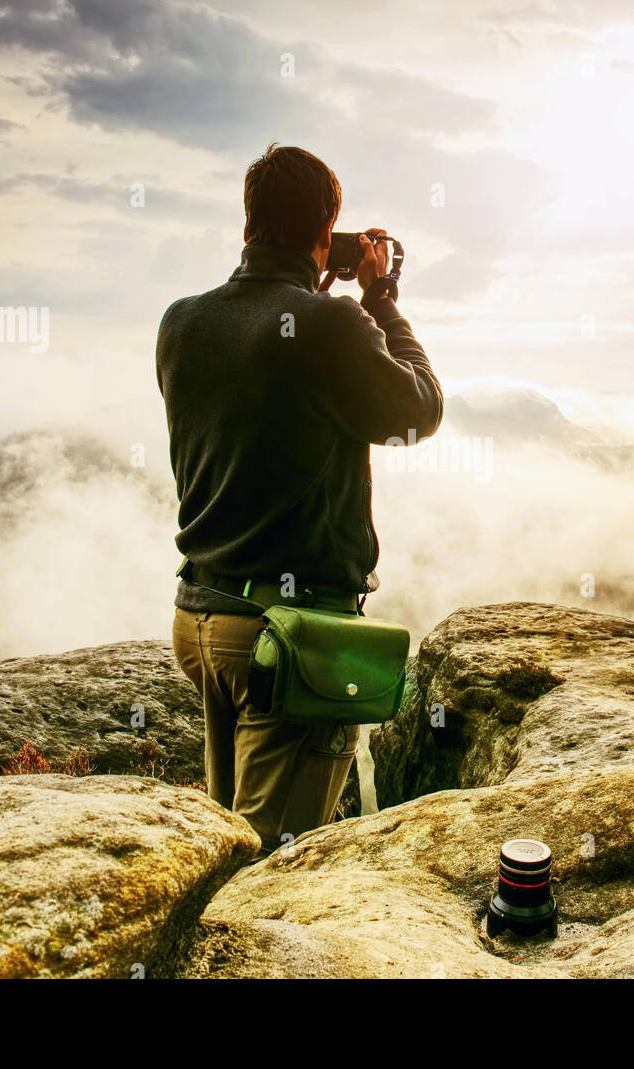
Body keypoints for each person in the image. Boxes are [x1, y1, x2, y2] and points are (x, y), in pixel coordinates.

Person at [156, 143, 443, 853]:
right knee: (272, 860)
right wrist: (378, 298)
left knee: (226, 833)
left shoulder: (182, 323)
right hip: (285, 638)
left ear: (248, 223)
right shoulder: (330, 324)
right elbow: (419, 411)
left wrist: (314, 282)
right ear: (327, 232)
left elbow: (268, 373)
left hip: (203, 621)